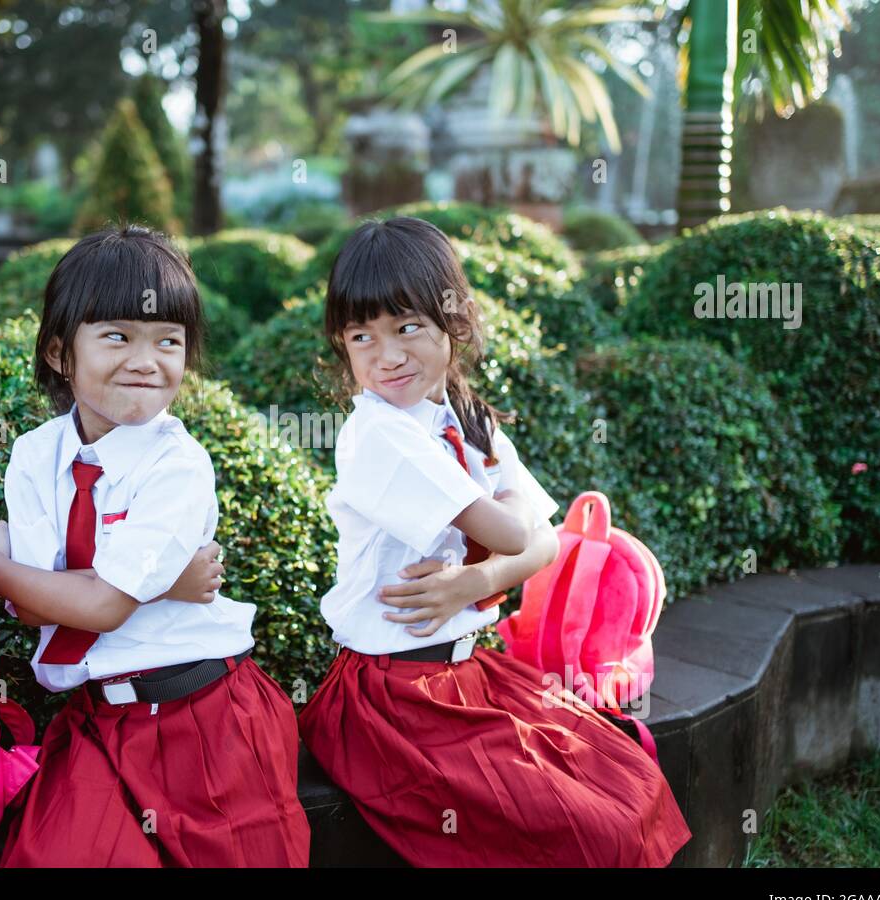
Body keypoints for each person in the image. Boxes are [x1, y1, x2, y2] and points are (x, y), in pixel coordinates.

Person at [297, 216, 693, 867]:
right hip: (393, 702)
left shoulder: (463, 417)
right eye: (361, 337)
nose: (387, 355)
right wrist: (509, 531)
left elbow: (547, 543)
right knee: (589, 828)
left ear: (454, 324)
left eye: (407, 328)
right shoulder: (378, 436)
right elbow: (517, 533)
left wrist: (478, 582)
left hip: (467, 673)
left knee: (625, 773)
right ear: (342, 347)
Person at [0, 224, 311, 867]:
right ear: (58, 352)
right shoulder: (34, 456)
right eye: (117, 337)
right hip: (98, 720)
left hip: (206, 715)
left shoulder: (178, 465)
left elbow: (97, 606)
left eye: (168, 341)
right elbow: (35, 608)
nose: (145, 359)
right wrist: (157, 582)